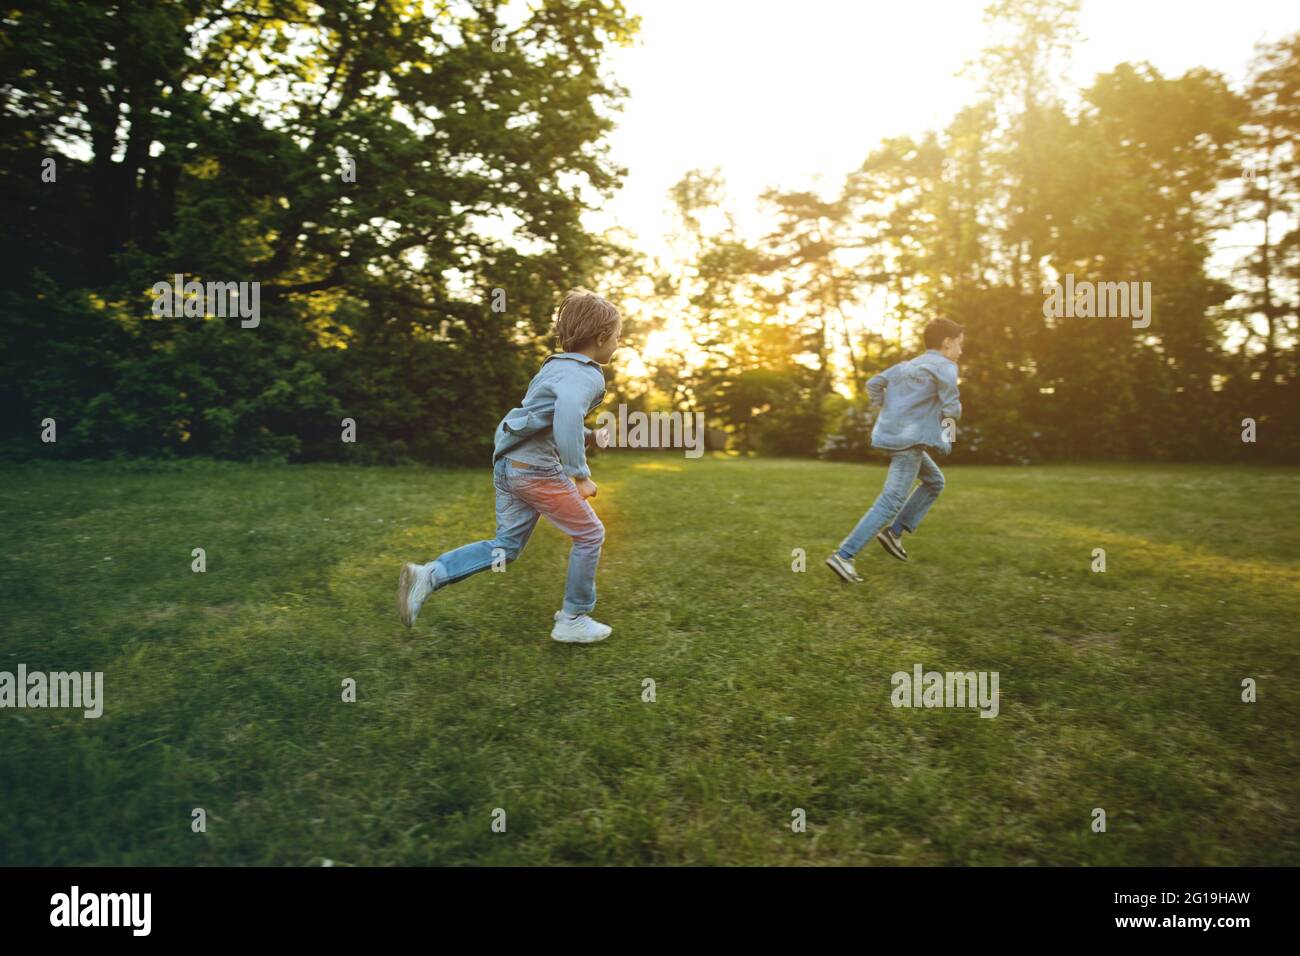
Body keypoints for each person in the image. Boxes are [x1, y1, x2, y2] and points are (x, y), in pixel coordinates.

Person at [397, 290, 621, 642]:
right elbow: (565, 415)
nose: (618, 345)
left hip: (510, 467)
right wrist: (579, 473)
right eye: (618, 337)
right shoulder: (587, 375)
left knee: (506, 547)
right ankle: (573, 617)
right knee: (590, 534)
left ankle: (430, 574)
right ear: (602, 337)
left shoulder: (555, 366)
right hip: (536, 472)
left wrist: (590, 436)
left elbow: (548, 416)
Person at [826, 318, 964, 584]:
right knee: (890, 501)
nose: (961, 351)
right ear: (947, 343)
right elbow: (951, 407)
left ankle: (895, 531)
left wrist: (889, 410)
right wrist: (948, 438)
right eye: (960, 345)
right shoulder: (946, 366)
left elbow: (874, 384)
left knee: (935, 482)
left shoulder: (905, 367)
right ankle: (844, 555)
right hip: (909, 443)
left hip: (891, 437)